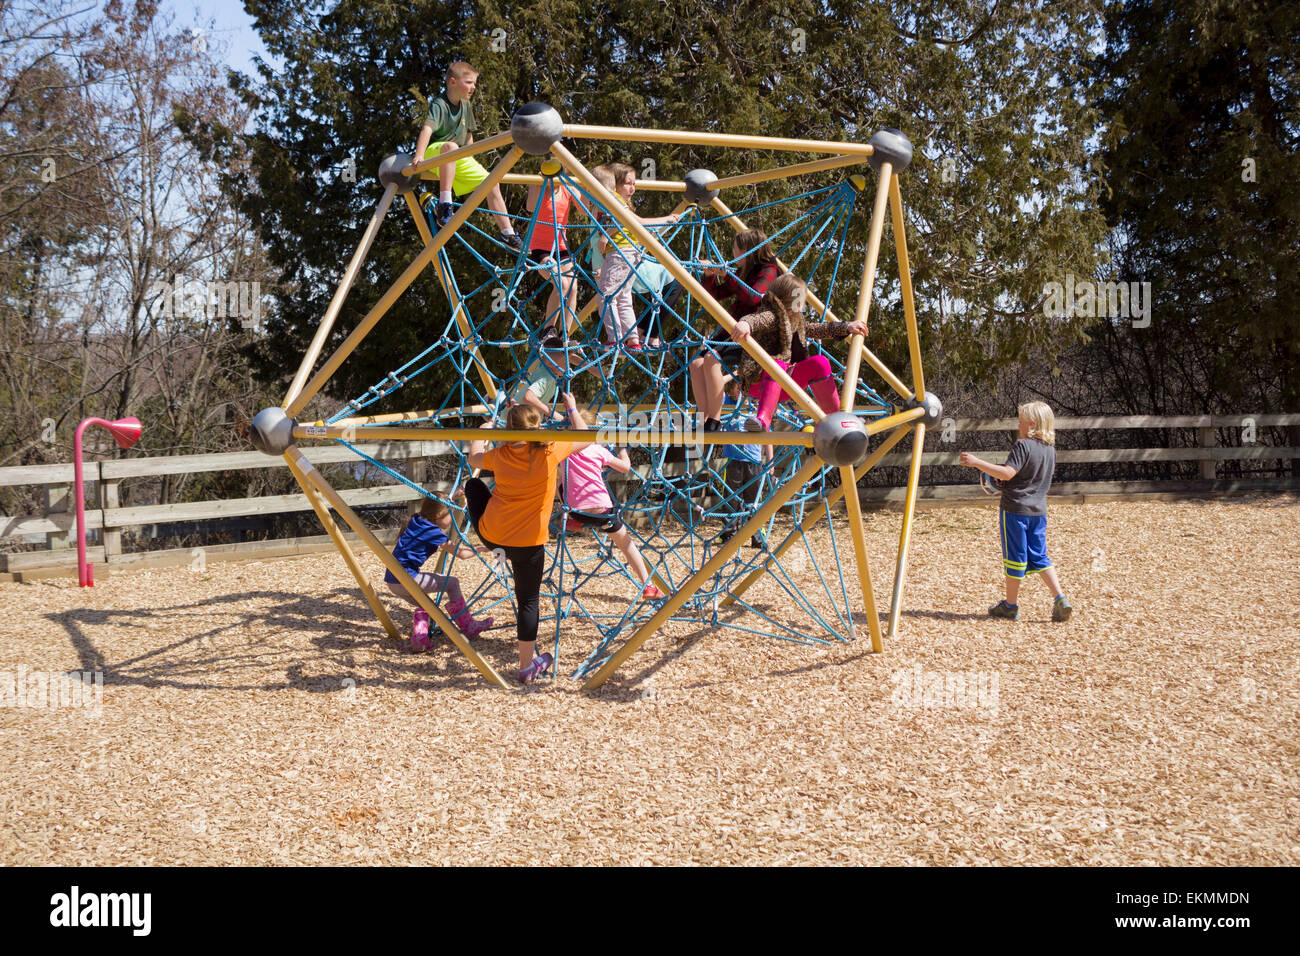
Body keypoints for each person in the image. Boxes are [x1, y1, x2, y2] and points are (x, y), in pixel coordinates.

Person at [464, 400, 594, 683]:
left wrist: (484, 432)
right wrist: (570, 408)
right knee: (528, 601)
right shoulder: (550, 451)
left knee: (473, 485)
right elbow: (585, 434)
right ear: (539, 427)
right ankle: (525, 666)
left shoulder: (500, 454)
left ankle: (492, 544)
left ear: (509, 430)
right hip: (528, 544)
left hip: (493, 535)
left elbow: (473, 458)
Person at [691, 273, 866, 433]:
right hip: (757, 382)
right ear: (787, 297)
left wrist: (846, 327)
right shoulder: (772, 314)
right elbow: (757, 319)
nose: (802, 303)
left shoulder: (794, 320)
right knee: (776, 364)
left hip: (781, 383)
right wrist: (746, 324)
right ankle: (763, 420)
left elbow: (815, 328)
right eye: (799, 297)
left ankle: (836, 418)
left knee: (820, 362)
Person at [959, 401, 1073, 623]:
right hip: (1038, 511)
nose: (1018, 425)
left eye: (1020, 421)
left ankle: (1010, 606)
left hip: (1015, 509)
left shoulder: (1023, 445)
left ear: (1031, 424)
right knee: (1040, 556)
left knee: (1015, 559)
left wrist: (976, 462)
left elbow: (1007, 474)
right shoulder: (1050, 449)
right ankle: (1060, 598)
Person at [560, 400, 665, 600]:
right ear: (593, 431)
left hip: (574, 509)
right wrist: (622, 448)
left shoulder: (563, 448)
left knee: (558, 481)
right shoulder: (598, 450)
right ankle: (648, 585)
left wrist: (569, 409)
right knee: (626, 544)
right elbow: (625, 467)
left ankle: (574, 520)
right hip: (601, 511)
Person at [413, 61, 521, 249]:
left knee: (491, 181)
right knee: (451, 146)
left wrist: (472, 159)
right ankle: (445, 205)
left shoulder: (466, 105)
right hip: (435, 153)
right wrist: (418, 156)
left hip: (456, 156)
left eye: (474, 84)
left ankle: (507, 233)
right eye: (469, 82)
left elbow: (468, 136)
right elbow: (427, 130)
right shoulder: (440, 103)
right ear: (453, 82)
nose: (473, 88)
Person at [689, 230, 782, 428]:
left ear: (748, 250)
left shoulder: (769, 269)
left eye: (736, 247)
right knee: (696, 363)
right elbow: (716, 294)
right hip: (734, 328)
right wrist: (709, 276)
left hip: (754, 331)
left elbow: (754, 297)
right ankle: (704, 418)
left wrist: (728, 274)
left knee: (711, 359)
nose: (733, 251)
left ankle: (715, 419)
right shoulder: (742, 272)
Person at [385, 497, 493, 650]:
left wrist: (454, 495)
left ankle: (420, 639)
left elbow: (435, 501)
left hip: (392, 581)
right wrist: (484, 548)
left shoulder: (418, 519)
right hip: (407, 578)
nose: (452, 517)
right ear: (438, 516)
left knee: (426, 605)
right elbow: (461, 554)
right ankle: (469, 627)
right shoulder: (432, 531)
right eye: (450, 513)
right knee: (452, 583)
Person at [592, 163, 679, 349]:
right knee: (623, 298)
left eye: (634, 184)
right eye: (628, 183)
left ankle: (615, 338)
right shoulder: (611, 201)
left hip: (620, 253)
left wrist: (605, 236)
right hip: (626, 253)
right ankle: (633, 340)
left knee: (606, 296)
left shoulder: (611, 199)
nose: (632, 189)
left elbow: (633, 222)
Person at [525, 168, 581, 337]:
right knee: (561, 284)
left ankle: (565, 334)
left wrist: (577, 184)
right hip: (539, 249)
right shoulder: (538, 184)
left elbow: (583, 210)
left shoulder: (567, 188)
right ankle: (548, 330)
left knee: (572, 287)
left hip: (561, 248)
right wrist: (540, 183)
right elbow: (531, 207)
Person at [717, 382, 769, 550]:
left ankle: (756, 536)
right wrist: (731, 375)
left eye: (745, 388)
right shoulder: (727, 405)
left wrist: (770, 459)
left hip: (753, 460)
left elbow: (767, 432)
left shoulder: (757, 408)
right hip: (733, 459)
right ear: (732, 389)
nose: (742, 392)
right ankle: (729, 534)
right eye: (738, 387)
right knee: (730, 498)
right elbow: (716, 386)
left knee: (753, 500)